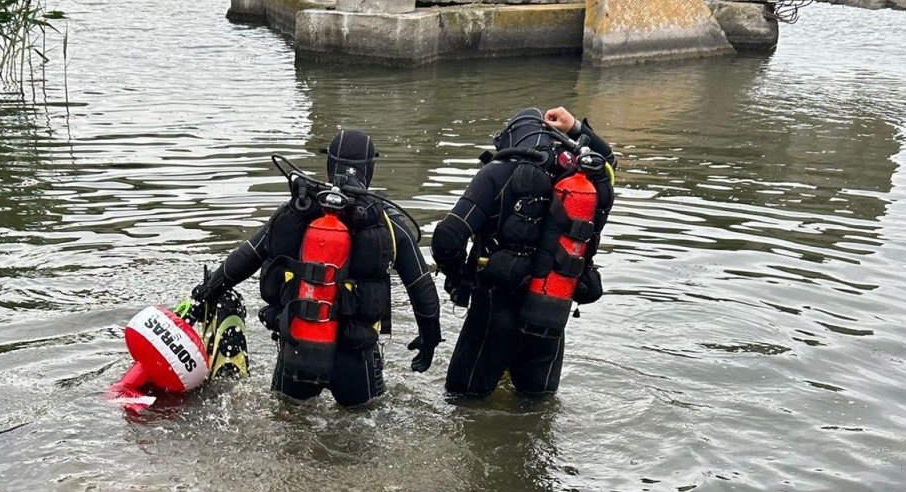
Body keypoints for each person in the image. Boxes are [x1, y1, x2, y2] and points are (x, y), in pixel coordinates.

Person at [190, 128, 442, 407]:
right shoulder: (387, 224)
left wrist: (207, 291)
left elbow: (246, 256)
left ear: (330, 163)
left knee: (288, 424)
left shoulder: (298, 212)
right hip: (355, 356)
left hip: (299, 348)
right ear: (369, 169)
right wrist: (429, 339)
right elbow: (422, 289)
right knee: (363, 432)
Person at [431, 105, 616, 398]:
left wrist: (458, 279)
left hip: (494, 310)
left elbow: (447, 238)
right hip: (550, 309)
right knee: (537, 409)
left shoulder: (496, 173)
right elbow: (608, 162)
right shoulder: (581, 180)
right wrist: (577, 129)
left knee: (465, 404)